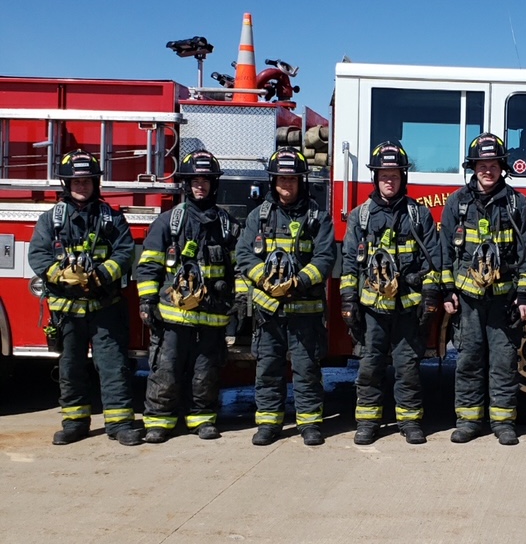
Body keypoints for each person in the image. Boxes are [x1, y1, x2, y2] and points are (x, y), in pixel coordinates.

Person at [27, 151, 137, 446]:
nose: (82, 186)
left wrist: (100, 275)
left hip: (105, 307)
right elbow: (37, 254)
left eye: (87, 181)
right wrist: (61, 275)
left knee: (113, 365)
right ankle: (74, 423)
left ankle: (120, 423)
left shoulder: (111, 218)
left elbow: (125, 252)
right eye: (76, 181)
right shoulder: (52, 219)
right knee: (71, 367)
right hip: (68, 311)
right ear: (66, 184)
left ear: (95, 183)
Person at [132, 151, 240, 445]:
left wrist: (239, 305)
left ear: (213, 185)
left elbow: (238, 268)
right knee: (165, 368)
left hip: (212, 315)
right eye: (195, 181)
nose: (200, 186)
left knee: (205, 372)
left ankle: (202, 418)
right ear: (186, 184)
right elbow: (149, 265)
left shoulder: (226, 224)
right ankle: (158, 421)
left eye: (205, 181)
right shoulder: (170, 222)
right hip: (172, 316)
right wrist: (147, 301)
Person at [340, 141, 442, 445]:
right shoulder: (361, 216)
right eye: (384, 175)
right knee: (370, 366)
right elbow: (348, 264)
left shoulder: (418, 215)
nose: (389, 181)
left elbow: (432, 260)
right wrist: (348, 300)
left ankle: (409, 421)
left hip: (407, 310)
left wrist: (431, 298)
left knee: (407, 366)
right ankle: (367, 423)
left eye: (394, 176)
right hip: (372, 310)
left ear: (403, 178)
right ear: (375, 178)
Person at [235, 148, 335, 446]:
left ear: (301, 182)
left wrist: (300, 281)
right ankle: (269, 423)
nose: (286, 185)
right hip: (269, 312)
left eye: (292, 180)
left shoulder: (318, 216)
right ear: (273, 181)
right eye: (281, 179)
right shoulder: (259, 217)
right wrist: (265, 279)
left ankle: (310, 424)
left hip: (305, 310)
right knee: (268, 367)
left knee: (306, 368)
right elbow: (243, 256)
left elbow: (325, 257)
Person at [440, 133, 526, 446]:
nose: (488, 170)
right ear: (473, 166)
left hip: (503, 301)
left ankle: (503, 423)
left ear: (501, 166)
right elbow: (444, 252)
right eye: (482, 164)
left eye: (493, 164)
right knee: (468, 359)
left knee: (504, 361)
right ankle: (468, 422)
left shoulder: (517, 203)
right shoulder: (457, 203)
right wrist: (446, 291)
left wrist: (524, 295)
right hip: (467, 301)